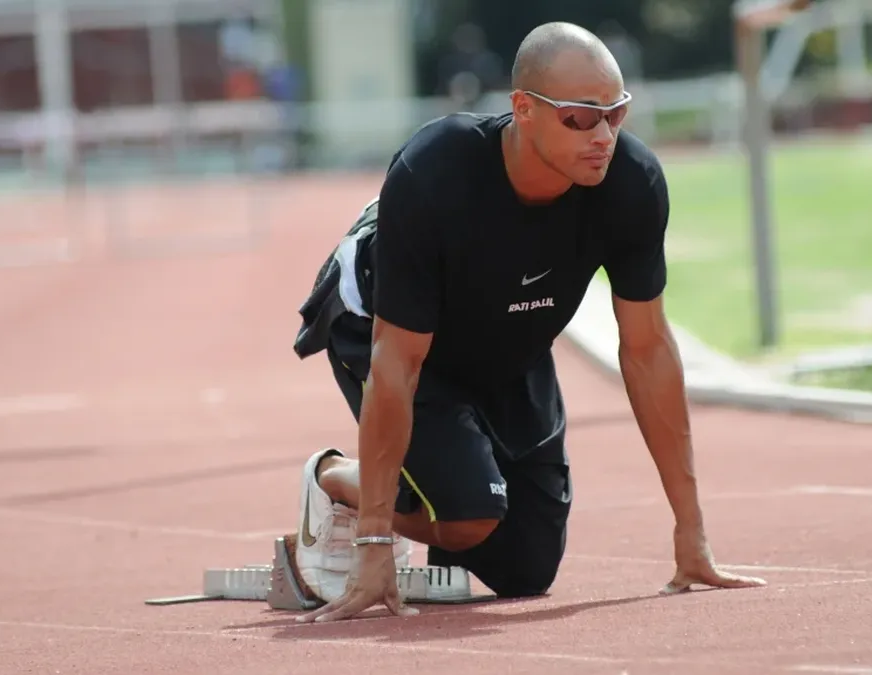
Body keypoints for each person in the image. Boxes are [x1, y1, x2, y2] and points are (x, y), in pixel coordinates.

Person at [288, 21, 767, 624]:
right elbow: (397, 363)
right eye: (580, 117)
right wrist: (376, 543)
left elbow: (647, 350)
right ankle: (335, 480)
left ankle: (443, 493)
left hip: (508, 339)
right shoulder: (435, 171)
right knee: (468, 516)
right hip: (389, 331)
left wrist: (691, 531)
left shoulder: (631, 185)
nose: (604, 137)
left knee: (525, 569)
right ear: (524, 109)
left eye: (615, 114)